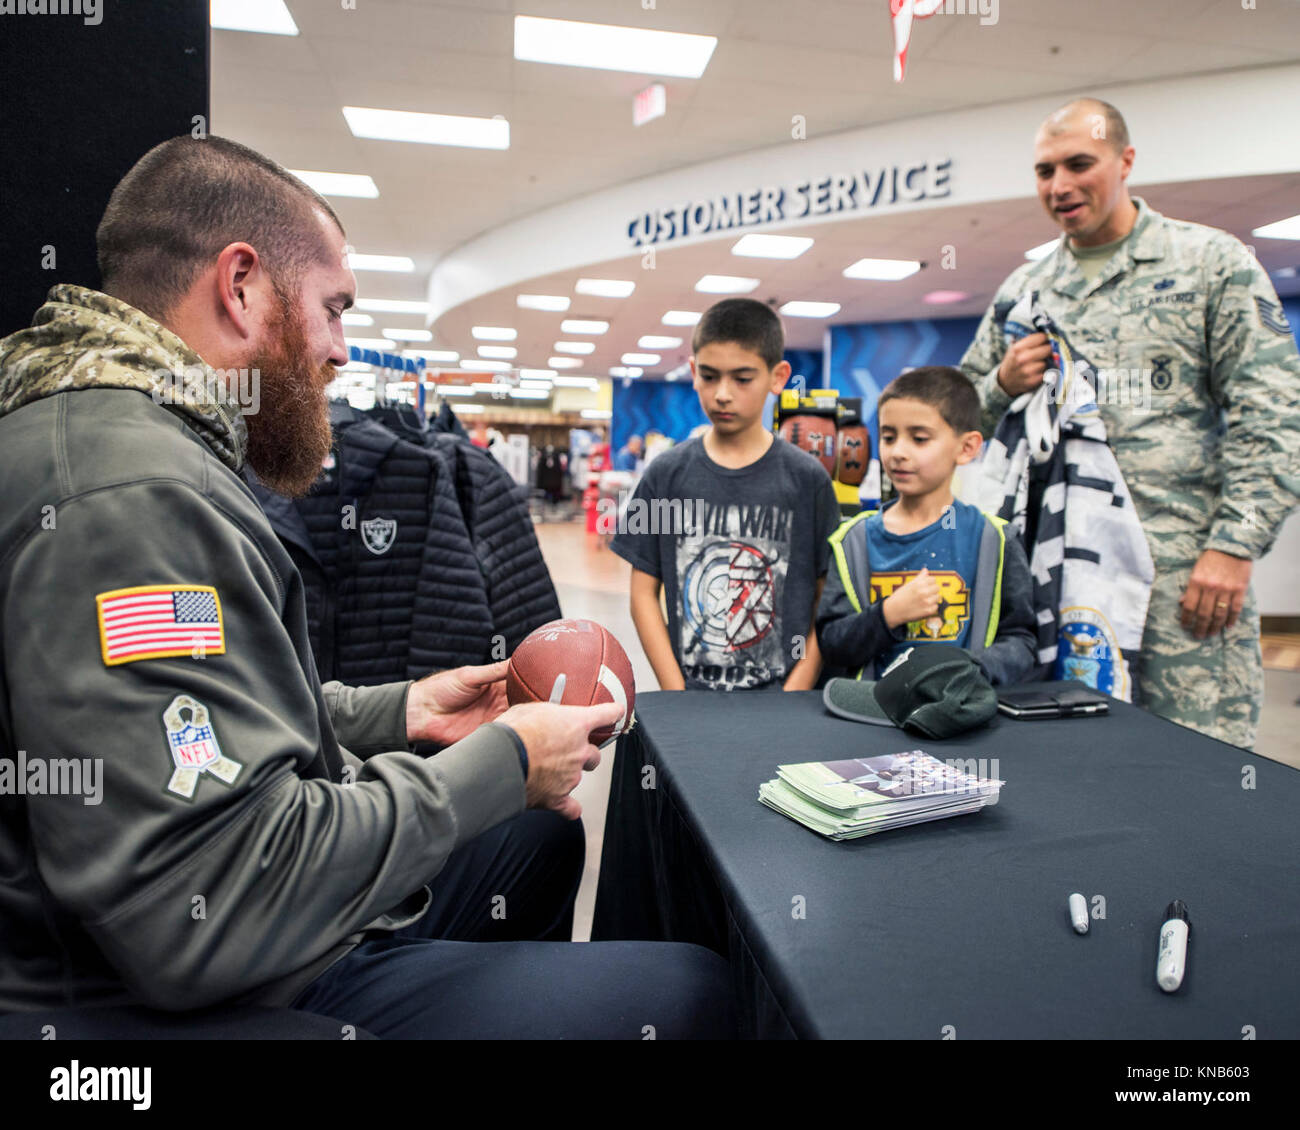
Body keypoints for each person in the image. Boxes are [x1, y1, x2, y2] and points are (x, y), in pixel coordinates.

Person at [0, 135, 734, 1039]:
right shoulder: (135, 496)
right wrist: (502, 763)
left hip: (232, 938)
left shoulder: (134, 439)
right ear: (241, 286)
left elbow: (205, 730)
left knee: (535, 839)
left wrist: (402, 712)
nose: (343, 352)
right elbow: (203, 908)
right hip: (192, 993)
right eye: (333, 310)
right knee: (691, 993)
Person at [960, 97, 1300, 748]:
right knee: (1072, 771)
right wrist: (1001, 384)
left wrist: (1233, 548)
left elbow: (1276, 409)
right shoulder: (1025, 290)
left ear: (1125, 161)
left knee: (1200, 772)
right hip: (1057, 585)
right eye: (1043, 171)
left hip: (1181, 584)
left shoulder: (1209, 264)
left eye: (1078, 164)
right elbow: (954, 421)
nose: (1059, 186)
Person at [612, 298, 841, 691]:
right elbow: (642, 593)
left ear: (778, 376)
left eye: (742, 378)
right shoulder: (664, 474)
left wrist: (796, 690)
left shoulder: (808, 479)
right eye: (710, 376)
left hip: (781, 700)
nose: (722, 393)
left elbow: (824, 602)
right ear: (693, 371)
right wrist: (675, 691)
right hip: (688, 698)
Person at [816, 367, 1037, 684]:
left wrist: (974, 671)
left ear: (967, 448)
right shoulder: (853, 541)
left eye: (919, 439)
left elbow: (1021, 639)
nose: (898, 452)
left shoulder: (995, 540)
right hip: (870, 717)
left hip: (960, 716)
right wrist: (889, 614)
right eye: (889, 437)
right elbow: (833, 644)